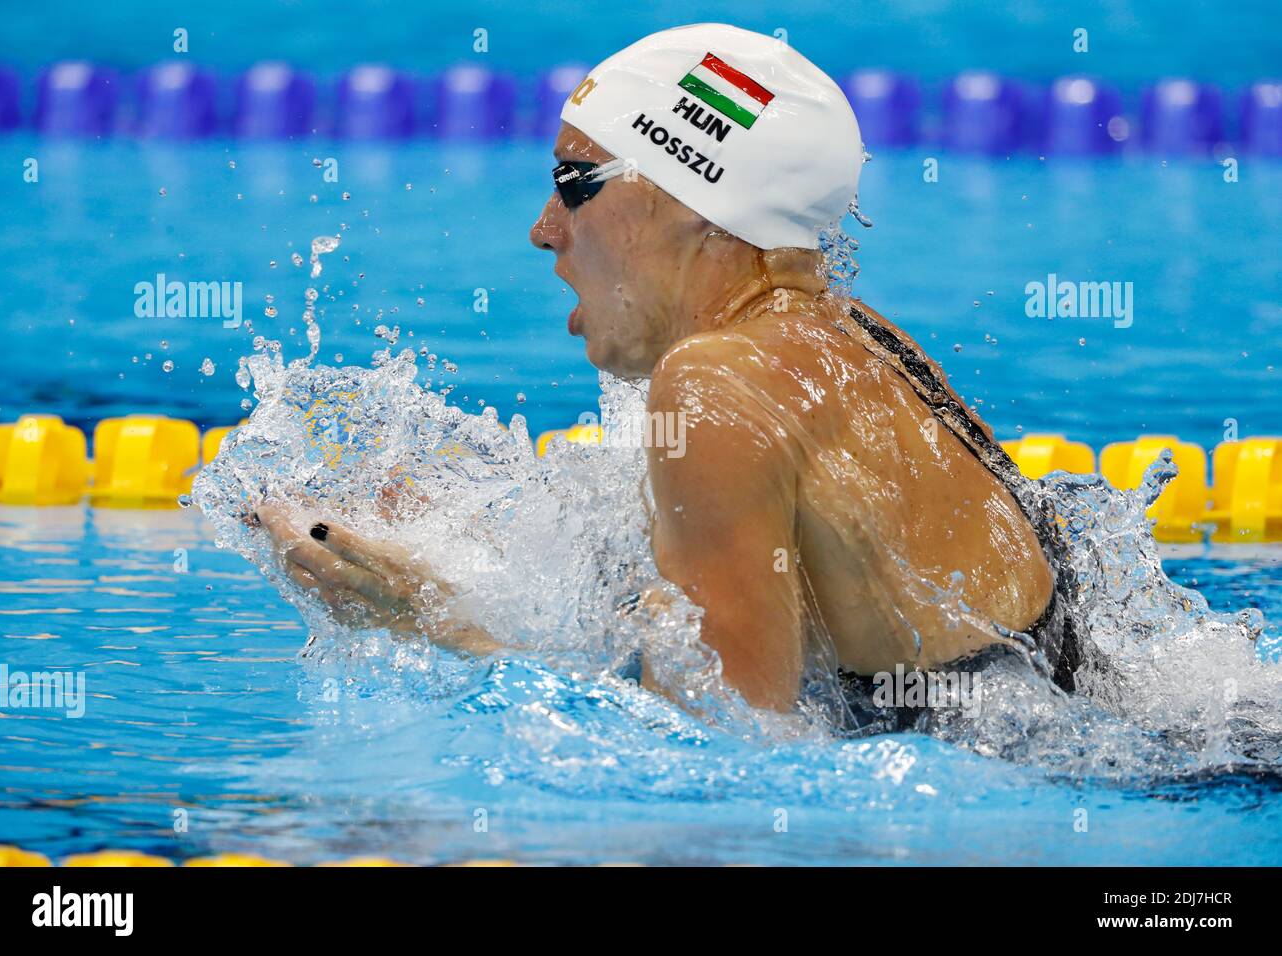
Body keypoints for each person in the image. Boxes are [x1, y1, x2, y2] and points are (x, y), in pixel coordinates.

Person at [257, 23, 1089, 720]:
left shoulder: (714, 387)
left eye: (574, 184)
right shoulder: (864, 341)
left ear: (693, 198)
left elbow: (717, 755)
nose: (545, 231)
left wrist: (433, 622)